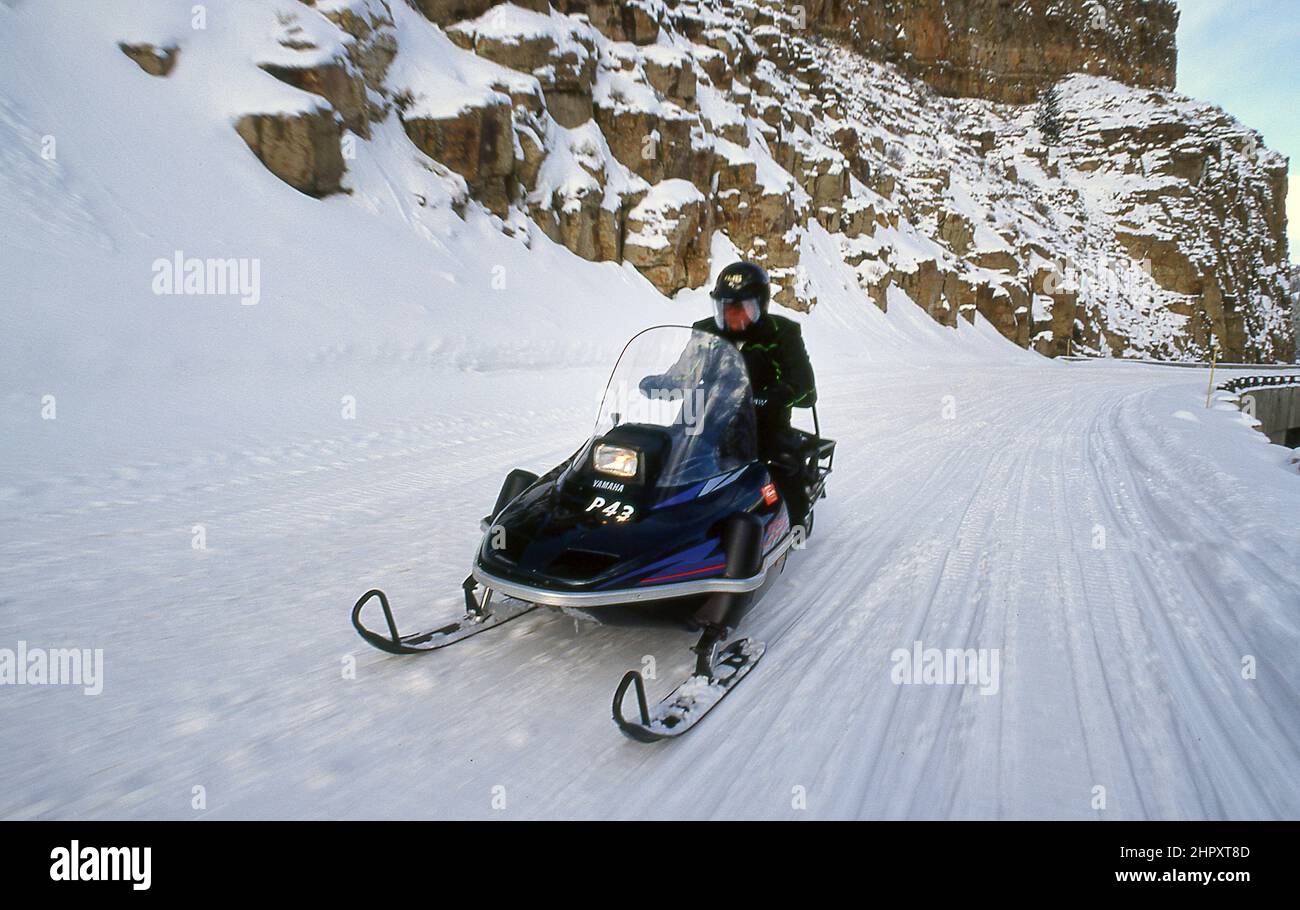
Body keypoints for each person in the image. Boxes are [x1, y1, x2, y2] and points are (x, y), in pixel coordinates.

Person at [697, 261, 817, 527]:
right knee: (675, 456)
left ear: (759, 306)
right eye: (726, 307)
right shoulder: (706, 331)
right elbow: (688, 369)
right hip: (711, 419)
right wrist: (665, 382)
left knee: (782, 462)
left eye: (741, 307)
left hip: (764, 425)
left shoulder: (781, 333)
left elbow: (804, 387)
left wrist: (771, 396)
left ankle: (797, 524)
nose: (732, 315)